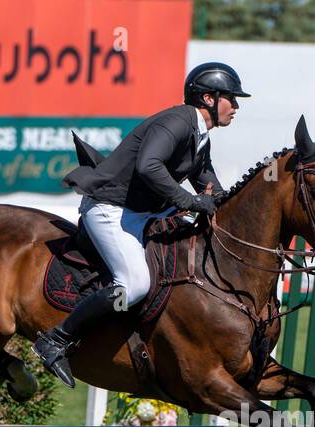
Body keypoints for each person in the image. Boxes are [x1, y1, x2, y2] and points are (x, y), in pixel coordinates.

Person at [33, 62, 250, 388]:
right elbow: (149, 166)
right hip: (110, 209)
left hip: (143, 213)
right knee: (134, 285)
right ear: (208, 98)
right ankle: (58, 338)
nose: (235, 106)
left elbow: (211, 187)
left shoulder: (200, 137)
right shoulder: (177, 122)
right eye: (230, 99)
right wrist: (190, 202)